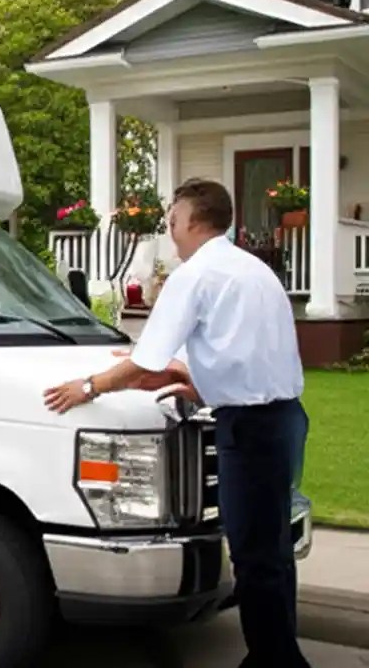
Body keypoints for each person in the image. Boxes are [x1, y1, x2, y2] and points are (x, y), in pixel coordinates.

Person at [43, 178, 310, 668]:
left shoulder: (195, 275)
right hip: (285, 419)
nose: (169, 231)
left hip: (249, 430)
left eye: (171, 222)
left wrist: (90, 386)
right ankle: (275, 653)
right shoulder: (254, 270)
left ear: (191, 220)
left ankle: (277, 662)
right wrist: (202, 386)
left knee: (254, 556)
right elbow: (252, 356)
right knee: (273, 551)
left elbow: (146, 362)